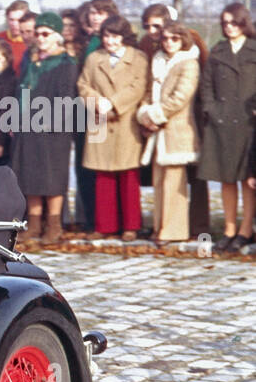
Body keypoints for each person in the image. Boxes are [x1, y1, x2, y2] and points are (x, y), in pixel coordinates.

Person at [10, 12, 78, 246]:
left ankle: (54, 224)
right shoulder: (31, 60)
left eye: (45, 34)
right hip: (27, 126)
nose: (40, 38)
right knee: (30, 175)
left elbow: (66, 98)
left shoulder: (65, 63)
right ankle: (35, 224)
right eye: (37, 33)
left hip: (53, 129)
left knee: (52, 177)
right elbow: (21, 91)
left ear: (57, 36)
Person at [77, 14, 147, 239]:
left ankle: (130, 226)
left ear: (124, 37)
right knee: (103, 176)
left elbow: (138, 86)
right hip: (100, 120)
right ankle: (104, 226)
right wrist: (98, 102)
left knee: (128, 176)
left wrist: (114, 104)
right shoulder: (94, 58)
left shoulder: (138, 58)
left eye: (115, 36)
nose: (110, 41)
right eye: (107, 36)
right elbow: (83, 85)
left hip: (126, 122)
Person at [198, 3, 256, 251]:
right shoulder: (218, 51)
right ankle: (229, 228)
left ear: (244, 23)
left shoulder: (254, 49)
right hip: (222, 124)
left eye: (234, 22)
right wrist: (212, 110)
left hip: (249, 122)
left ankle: (245, 229)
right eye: (225, 23)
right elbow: (206, 85)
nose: (229, 27)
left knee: (247, 179)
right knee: (226, 179)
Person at [136, 23, 200, 246]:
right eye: (165, 38)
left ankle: (173, 230)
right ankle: (159, 226)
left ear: (183, 40)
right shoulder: (157, 60)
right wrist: (144, 114)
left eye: (174, 38)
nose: (169, 42)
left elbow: (181, 97)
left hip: (176, 128)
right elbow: (147, 93)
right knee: (159, 181)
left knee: (174, 182)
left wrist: (156, 115)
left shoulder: (188, 63)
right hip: (156, 132)